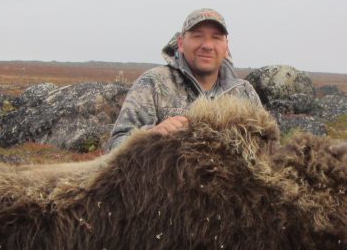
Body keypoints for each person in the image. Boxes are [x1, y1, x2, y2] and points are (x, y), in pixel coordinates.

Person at [106, 8, 263, 151]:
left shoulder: (245, 92)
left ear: (226, 46)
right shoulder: (153, 83)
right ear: (181, 43)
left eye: (216, 38)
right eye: (197, 36)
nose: (207, 45)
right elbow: (114, 147)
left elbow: (268, 148)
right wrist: (150, 136)